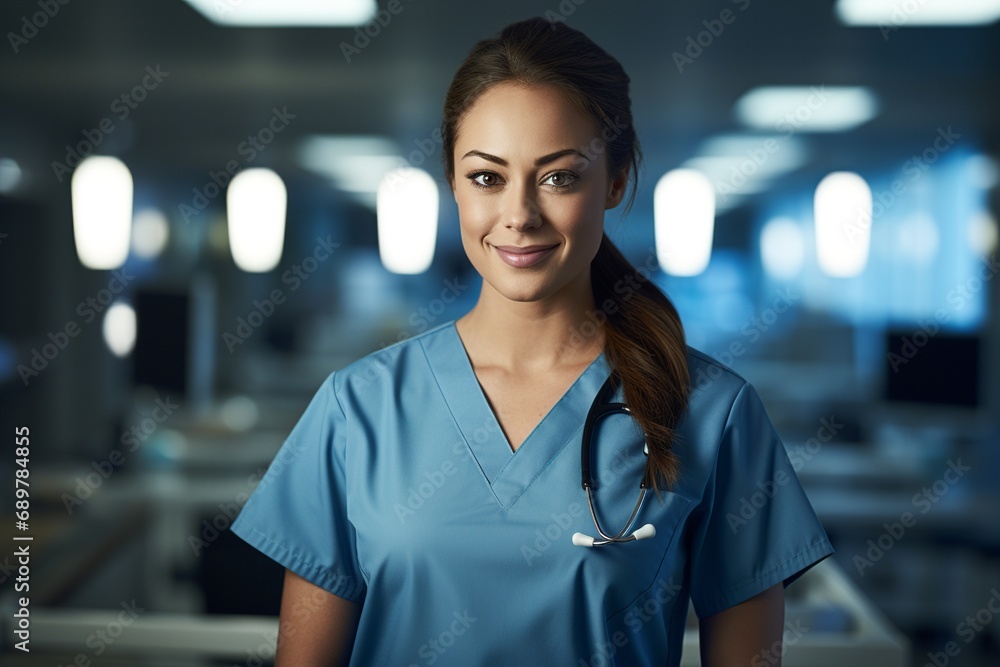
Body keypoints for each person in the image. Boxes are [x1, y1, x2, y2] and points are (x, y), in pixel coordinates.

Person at [230, 16, 834, 666]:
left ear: (618, 180)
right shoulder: (357, 409)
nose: (519, 214)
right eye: (488, 177)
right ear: (453, 183)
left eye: (559, 177)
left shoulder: (713, 412)